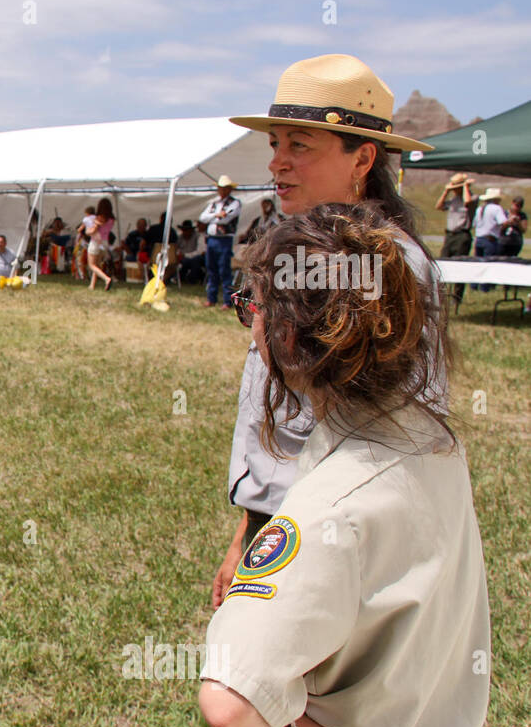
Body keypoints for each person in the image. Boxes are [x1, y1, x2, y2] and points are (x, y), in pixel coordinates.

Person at [201, 202, 487, 727]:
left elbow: (229, 703)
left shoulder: (327, 504)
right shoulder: (437, 451)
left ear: (287, 335)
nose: (249, 327)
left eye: (253, 307)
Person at [214, 52, 446, 608]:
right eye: (275, 144)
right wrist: (249, 530)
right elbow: (282, 414)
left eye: (300, 145)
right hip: (289, 518)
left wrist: (273, 535)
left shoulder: (385, 266)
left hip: (333, 525)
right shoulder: (312, 246)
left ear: (362, 157)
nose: (277, 163)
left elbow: (356, 429)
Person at [199, 175, 242, 308]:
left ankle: (227, 300)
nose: (222, 191)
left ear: (229, 189)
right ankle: (211, 298)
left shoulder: (235, 203)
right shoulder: (214, 204)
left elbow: (225, 219)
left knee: (224, 270)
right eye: (220, 188)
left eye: (225, 188)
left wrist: (212, 218)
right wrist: (215, 215)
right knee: (211, 268)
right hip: (212, 239)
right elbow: (202, 218)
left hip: (224, 240)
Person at [435, 173, 477, 301]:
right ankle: (440, 294)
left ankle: (457, 296)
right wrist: (446, 191)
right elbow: (439, 206)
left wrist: (464, 187)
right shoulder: (453, 200)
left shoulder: (473, 197)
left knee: (460, 264)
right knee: (443, 262)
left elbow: (467, 202)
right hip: (450, 235)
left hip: (462, 234)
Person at [472, 188, 508, 292]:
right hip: (490, 239)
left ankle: (474, 285)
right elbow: (502, 222)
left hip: (479, 238)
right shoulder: (496, 208)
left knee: (477, 263)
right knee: (488, 264)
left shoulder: (480, 209)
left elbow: (474, 224)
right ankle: (484, 287)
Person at [86, 205, 116, 291]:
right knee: (97, 265)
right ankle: (92, 285)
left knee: (91, 265)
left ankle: (106, 279)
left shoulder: (98, 218)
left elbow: (92, 231)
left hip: (95, 243)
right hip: (104, 243)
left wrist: (92, 226)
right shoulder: (111, 220)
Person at [177, 219, 205, 283]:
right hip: (183, 258)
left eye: (187, 230)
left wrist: (185, 255)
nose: (185, 232)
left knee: (195, 260)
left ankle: (192, 279)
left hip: (195, 257)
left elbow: (200, 251)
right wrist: (179, 254)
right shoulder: (180, 238)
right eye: (184, 230)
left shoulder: (198, 236)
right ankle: (182, 278)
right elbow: (176, 248)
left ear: (191, 230)